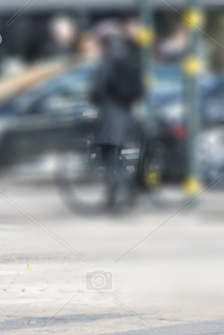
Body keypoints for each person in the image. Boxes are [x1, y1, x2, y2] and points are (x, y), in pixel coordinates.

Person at [89, 20, 146, 211]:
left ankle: (115, 199)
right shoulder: (127, 55)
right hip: (125, 114)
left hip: (110, 115)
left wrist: (92, 97)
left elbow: (99, 87)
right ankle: (127, 194)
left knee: (110, 158)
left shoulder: (109, 58)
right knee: (118, 156)